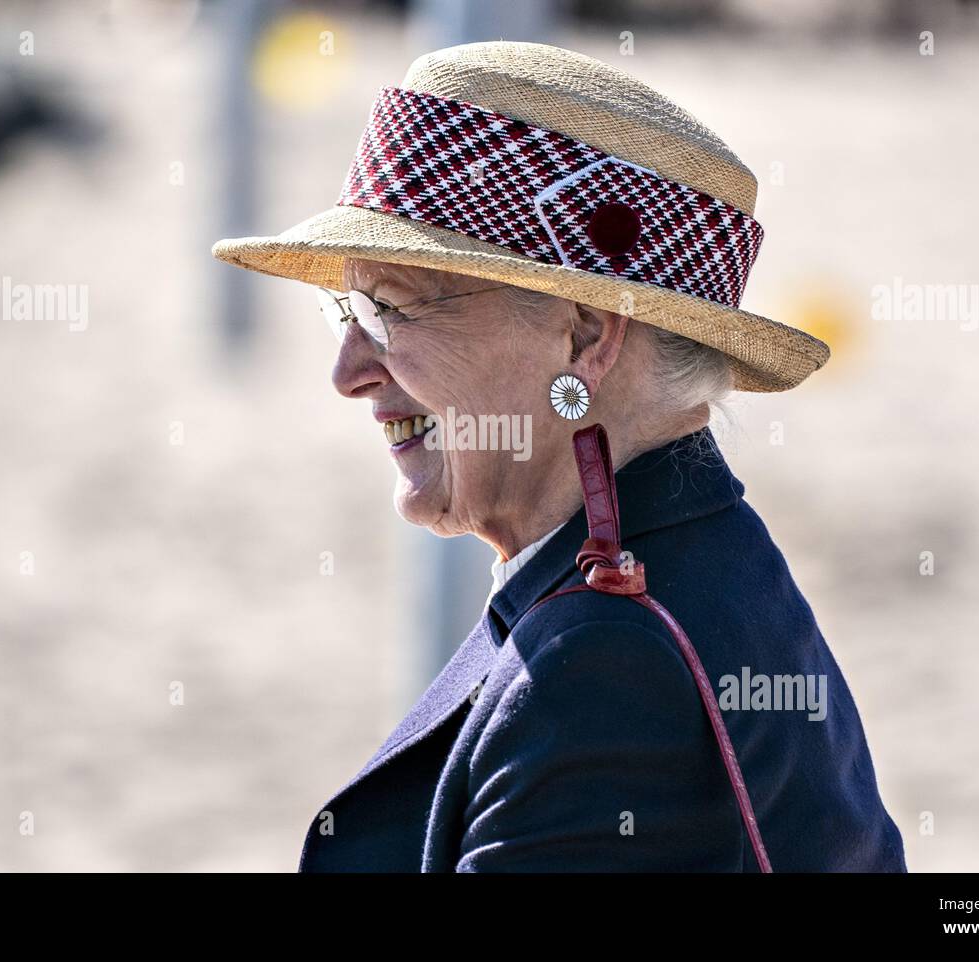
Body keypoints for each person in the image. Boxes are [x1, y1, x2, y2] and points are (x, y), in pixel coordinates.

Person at [213, 40, 906, 872]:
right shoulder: (693, 563)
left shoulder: (607, 669)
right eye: (346, 312)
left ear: (583, 335)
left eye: (391, 310)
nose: (348, 373)